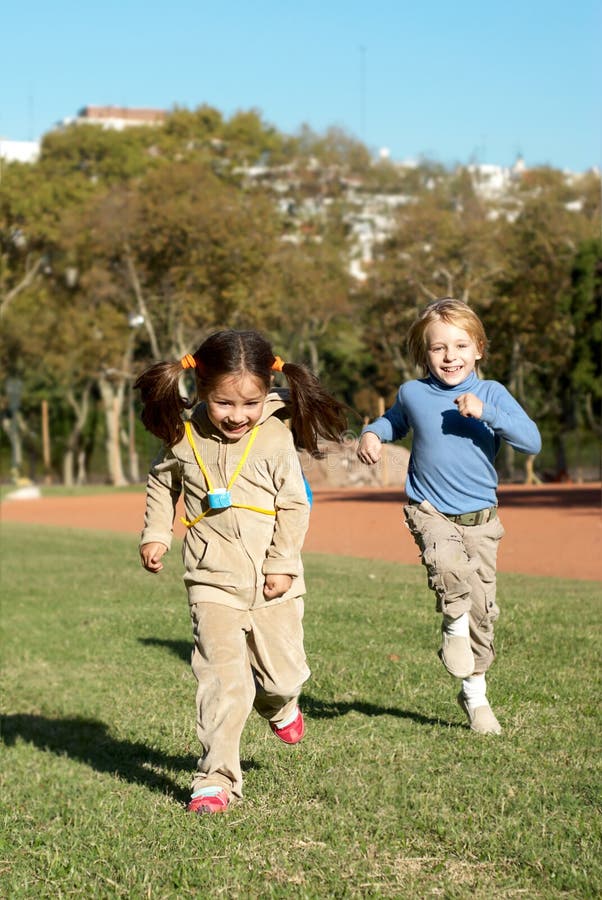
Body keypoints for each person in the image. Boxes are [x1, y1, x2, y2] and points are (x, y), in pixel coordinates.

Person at [135, 330, 347, 813]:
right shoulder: (184, 434)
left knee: (280, 678)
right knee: (224, 679)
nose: (237, 415)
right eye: (223, 402)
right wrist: (156, 533)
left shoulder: (275, 436)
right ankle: (215, 778)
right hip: (210, 580)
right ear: (203, 389)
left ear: (267, 391)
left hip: (274, 583)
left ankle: (280, 706)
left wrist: (282, 564)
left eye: (249, 402)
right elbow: (160, 481)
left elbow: (295, 506)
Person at [357, 298, 541, 734]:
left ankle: (475, 697)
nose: (450, 356)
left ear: (478, 348)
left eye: (460, 345)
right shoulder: (414, 392)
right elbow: (395, 421)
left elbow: (531, 442)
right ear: (425, 354)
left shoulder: (492, 393)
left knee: (483, 615)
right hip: (430, 509)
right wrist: (372, 433)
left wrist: (487, 413)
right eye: (438, 348)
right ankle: (453, 625)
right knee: (446, 564)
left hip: (482, 520)